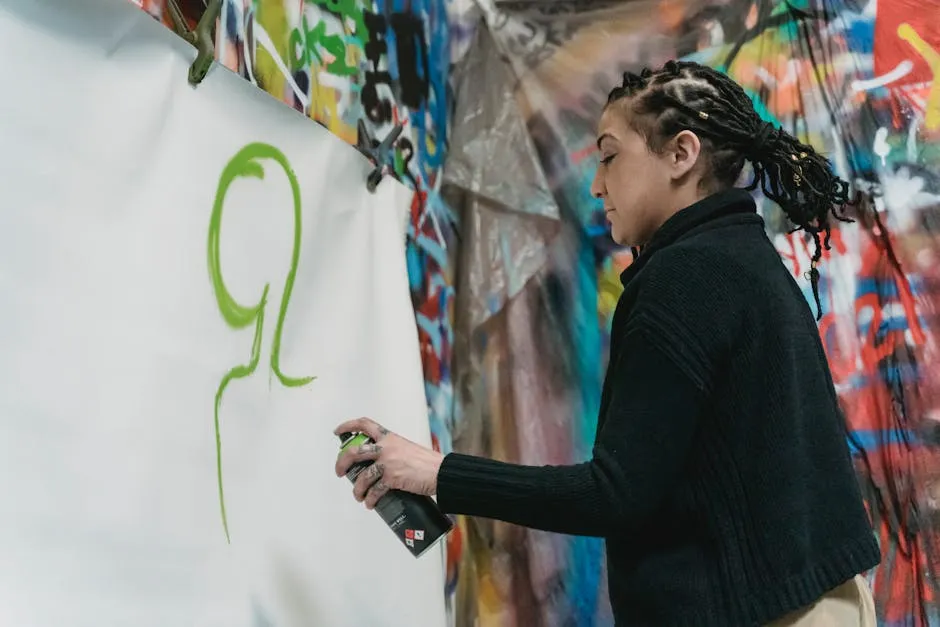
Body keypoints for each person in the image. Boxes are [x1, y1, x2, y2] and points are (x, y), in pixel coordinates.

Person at [334, 59, 881, 626]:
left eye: (610, 155)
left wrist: (437, 474)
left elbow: (615, 494)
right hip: (815, 602)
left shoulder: (685, 276)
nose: (596, 184)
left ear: (680, 154)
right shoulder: (740, 256)